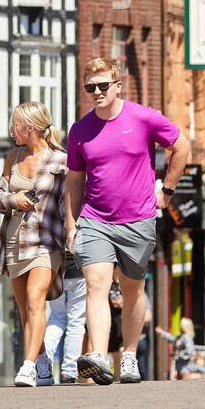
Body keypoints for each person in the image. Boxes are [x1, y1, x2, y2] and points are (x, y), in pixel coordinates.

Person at [65, 58, 191, 386]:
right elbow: (75, 180)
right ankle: (97, 355)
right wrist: (71, 223)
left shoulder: (143, 118)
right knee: (97, 282)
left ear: (118, 85)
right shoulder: (80, 130)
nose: (97, 92)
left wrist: (168, 190)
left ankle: (130, 353)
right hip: (95, 219)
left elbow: (181, 146)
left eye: (102, 86)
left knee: (134, 287)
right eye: (90, 87)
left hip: (138, 218)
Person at [0, 101, 68, 388]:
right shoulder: (12, 157)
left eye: (16, 125)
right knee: (25, 310)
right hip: (14, 241)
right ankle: (43, 360)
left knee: (36, 299)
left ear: (32, 128)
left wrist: (72, 233)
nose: (12, 129)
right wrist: (14, 199)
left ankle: (28, 366)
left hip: (47, 241)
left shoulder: (61, 160)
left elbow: (68, 203)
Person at [43, 257, 88, 385]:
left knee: (57, 318)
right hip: (78, 269)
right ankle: (69, 371)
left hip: (54, 269)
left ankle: (43, 364)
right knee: (76, 322)